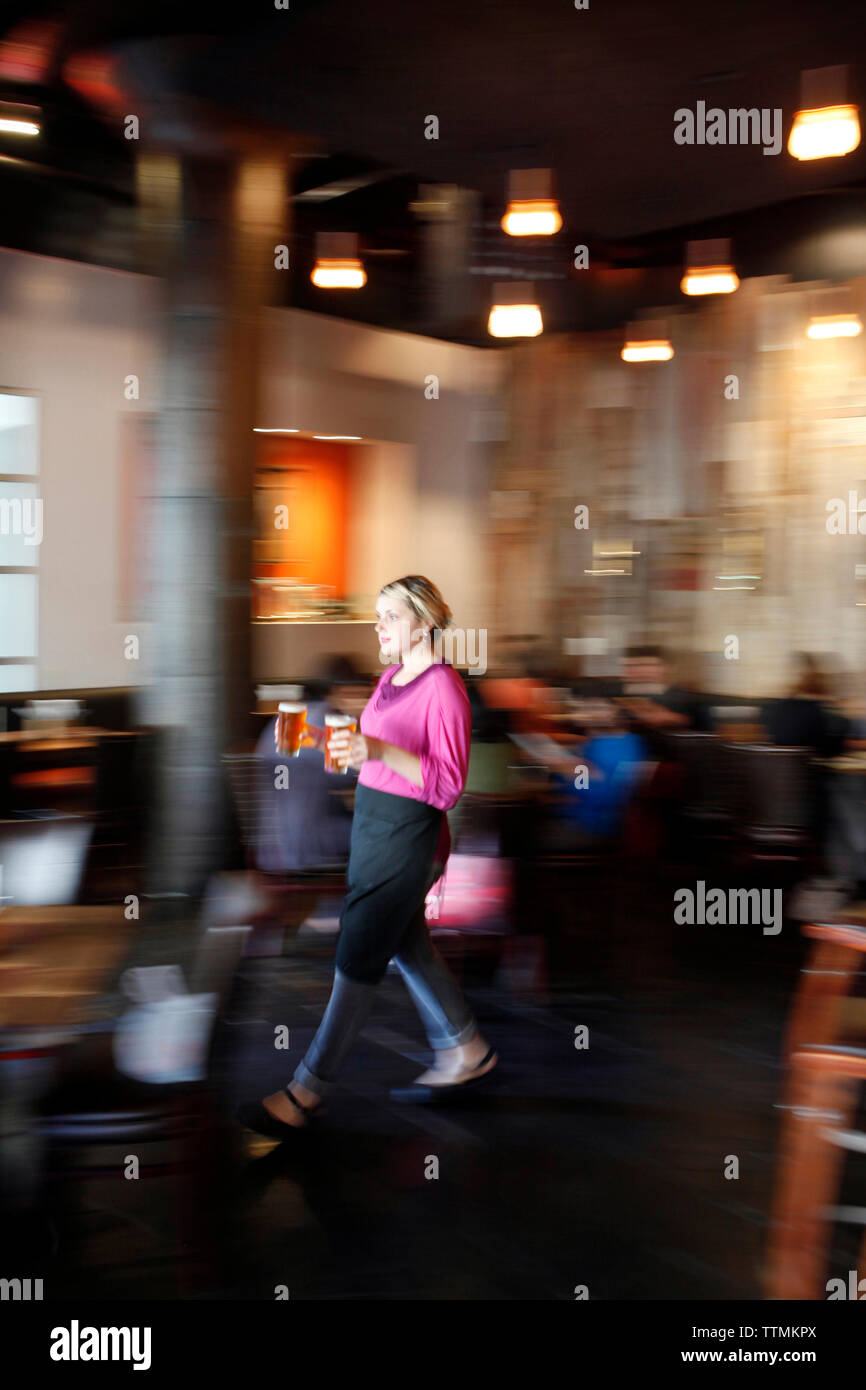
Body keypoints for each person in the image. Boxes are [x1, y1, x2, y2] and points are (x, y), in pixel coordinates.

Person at [237, 575, 497, 1139]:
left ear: (424, 623)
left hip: (410, 840)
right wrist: (320, 739)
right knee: (405, 944)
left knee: (357, 954)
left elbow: (447, 786)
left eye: (389, 617)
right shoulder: (391, 679)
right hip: (374, 832)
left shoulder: (444, 687)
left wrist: (373, 748)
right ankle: (467, 1049)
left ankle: (307, 1090)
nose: (378, 627)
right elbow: (370, 754)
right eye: (376, 616)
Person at [253, 655, 370, 873]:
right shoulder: (333, 723)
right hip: (314, 844)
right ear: (341, 690)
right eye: (360, 692)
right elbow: (360, 773)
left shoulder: (282, 720)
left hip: (272, 848)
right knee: (382, 832)